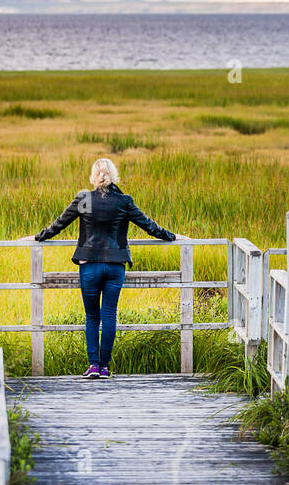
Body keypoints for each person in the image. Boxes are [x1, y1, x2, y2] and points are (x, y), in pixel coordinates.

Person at [22, 158, 182, 379]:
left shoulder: (85, 198)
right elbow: (149, 225)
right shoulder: (124, 201)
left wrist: (38, 237)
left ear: (93, 176)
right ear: (113, 176)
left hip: (89, 265)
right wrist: (172, 236)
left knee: (91, 316)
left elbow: (59, 224)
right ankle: (105, 367)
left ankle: (94, 366)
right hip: (115, 265)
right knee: (109, 315)